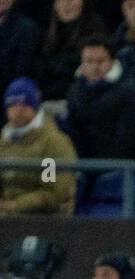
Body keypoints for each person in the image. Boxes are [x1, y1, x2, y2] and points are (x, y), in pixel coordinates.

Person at [0, 78, 77, 216]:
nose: (17, 111)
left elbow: (52, 192)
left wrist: (15, 205)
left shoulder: (53, 142)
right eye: (12, 105)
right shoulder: (3, 139)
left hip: (43, 220)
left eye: (24, 105)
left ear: (34, 106)